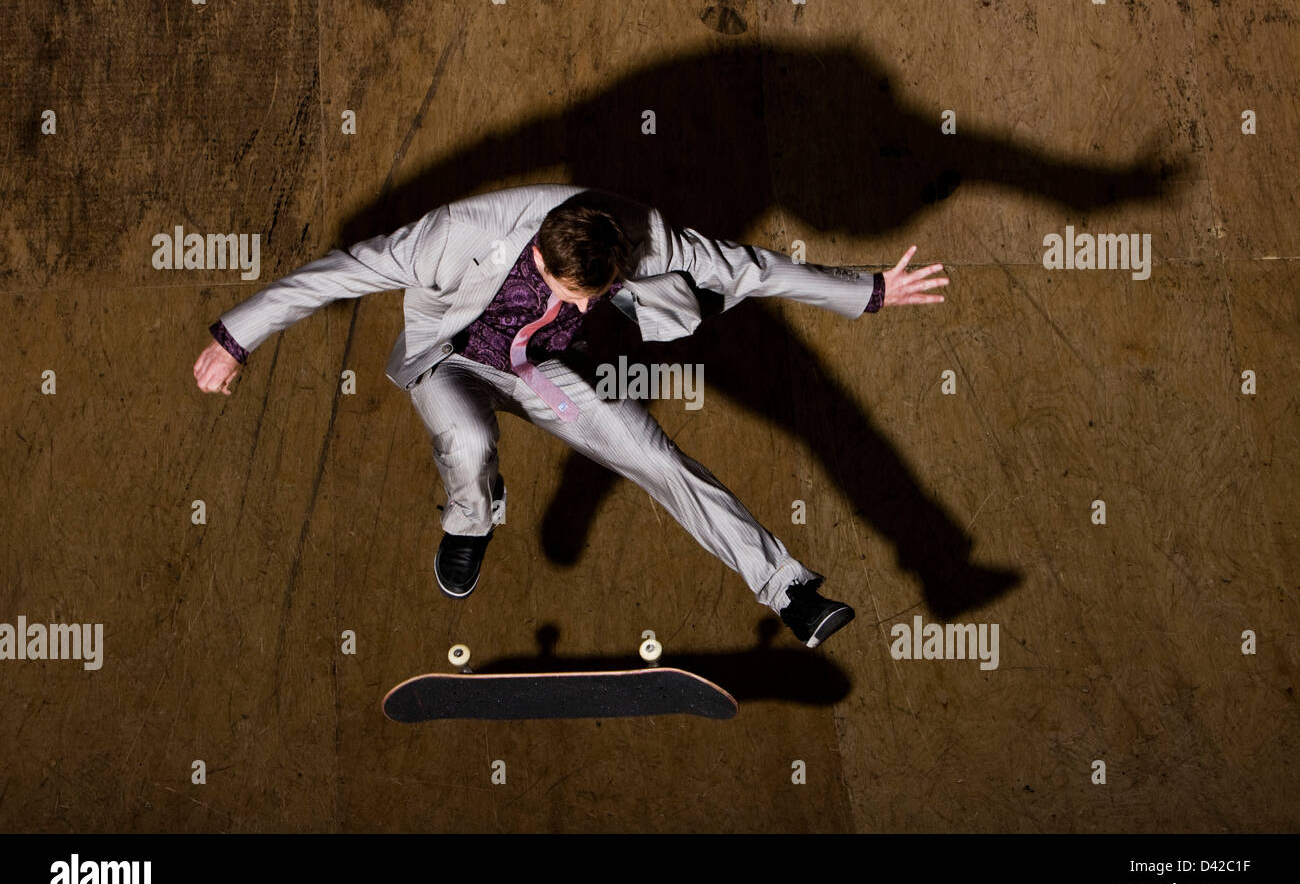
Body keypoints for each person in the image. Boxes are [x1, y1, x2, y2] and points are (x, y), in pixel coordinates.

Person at [193, 184, 947, 648]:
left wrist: (871, 290)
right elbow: (339, 272)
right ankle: (469, 521)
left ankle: (788, 588)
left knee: (651, 451)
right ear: (537, 257)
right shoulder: (452, 235)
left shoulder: (641, 234)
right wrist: (235, 339)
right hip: (454, 357)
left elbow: (748, 268)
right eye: (569, 292)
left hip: (540, 373)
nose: (586, 309)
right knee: (466, 438)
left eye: (596, 296)